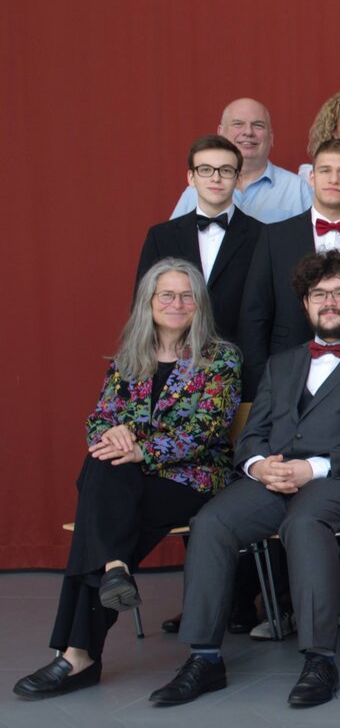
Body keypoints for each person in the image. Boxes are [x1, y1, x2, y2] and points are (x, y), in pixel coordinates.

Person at [147, 251, 340, 708]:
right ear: (305, 304)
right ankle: (204, 658)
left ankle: (319, 659)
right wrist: (258, 466)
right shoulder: (280, 363)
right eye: (319, 294)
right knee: (212, 522)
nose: (330, 302)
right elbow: (253, 435)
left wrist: (315, 467)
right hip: (272, 480)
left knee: (304, 524)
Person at [13, 260, 242, 699]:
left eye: (186, 296)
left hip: (190, 478)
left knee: (101, 499)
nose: (176, 304)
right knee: (102, 465)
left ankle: (76, 654)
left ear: (199, 305)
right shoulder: (129, 359)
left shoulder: (220, 358)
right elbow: (99, 421)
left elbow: (206, 430)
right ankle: (113, 571)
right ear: (149, 303)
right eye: (166, 296)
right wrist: (112, 434)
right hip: (128, 478)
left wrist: (141, 449)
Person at [239, 138, 340, 394]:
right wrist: (259, 387)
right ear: (311, 178)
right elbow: (254, 315)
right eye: (325, 171)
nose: (333, 179)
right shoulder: (274, 238)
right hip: (283, 378)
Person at [137, 135, 262, 343]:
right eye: (205, 170)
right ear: (191, 178)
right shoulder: (160, 236)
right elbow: (142, 305)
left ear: (238, 179)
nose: (216, 178)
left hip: (240, 360)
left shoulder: (263, 236)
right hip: (173, 357)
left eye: (225, 170)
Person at [171, 98, 311, 224]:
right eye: (238, 124)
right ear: (220, 133)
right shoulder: (195, 190)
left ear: (271, 137)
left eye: (258, 125)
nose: (248, 132)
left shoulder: (298, 189)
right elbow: (173, 240)